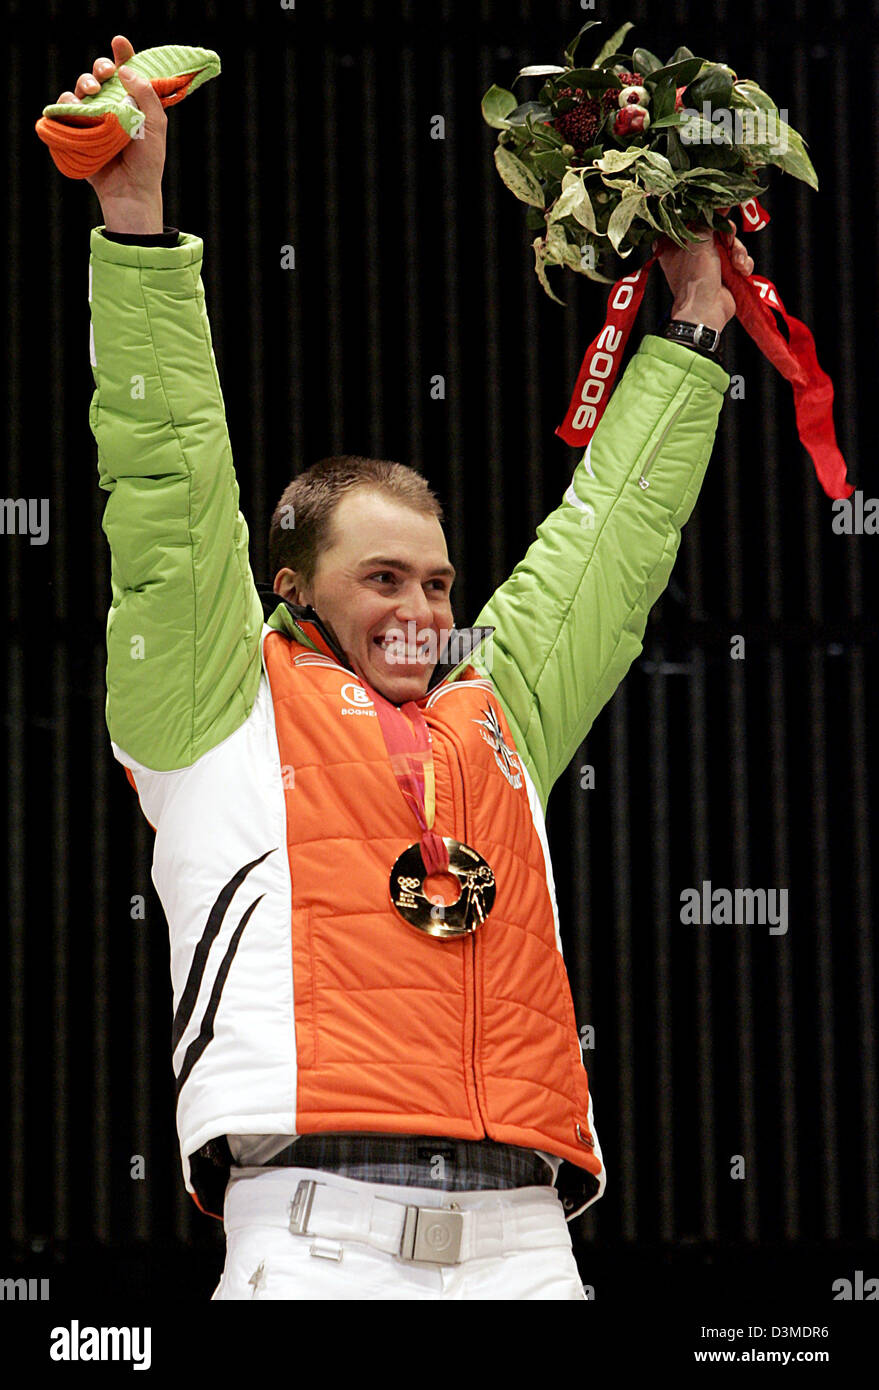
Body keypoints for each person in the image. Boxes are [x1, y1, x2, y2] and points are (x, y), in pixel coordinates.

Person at [58, 34, 754, 1300]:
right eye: (381, 580)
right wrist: (136, 217)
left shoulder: (498, 706)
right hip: (316, 1232)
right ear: (289, 591)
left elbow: (614, 533)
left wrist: (699, 314)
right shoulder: (218, 698)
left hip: (532, 1241)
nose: (422, 609)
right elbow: (166, 473)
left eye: (436, 582)